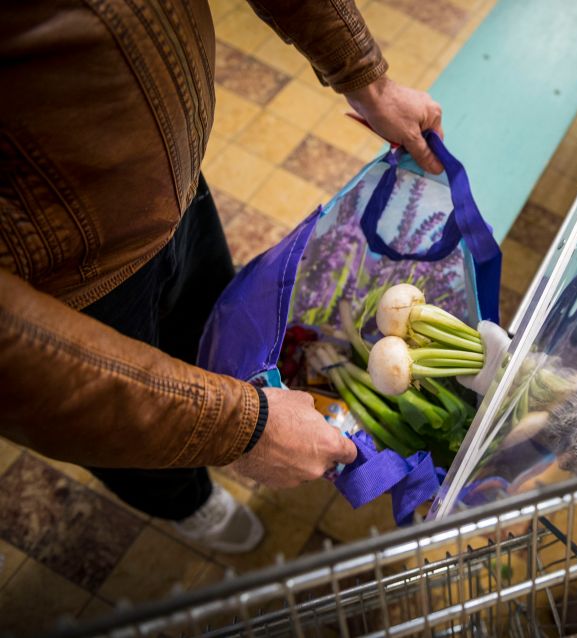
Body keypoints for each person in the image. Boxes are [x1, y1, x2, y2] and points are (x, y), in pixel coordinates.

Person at [0, 0, 443, 553]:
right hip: (58, 281)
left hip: (170, 186)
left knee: (215, 325)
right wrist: (240, 428)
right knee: (129, 422)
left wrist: (364, 78)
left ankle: (226, 403)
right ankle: (181, 498)